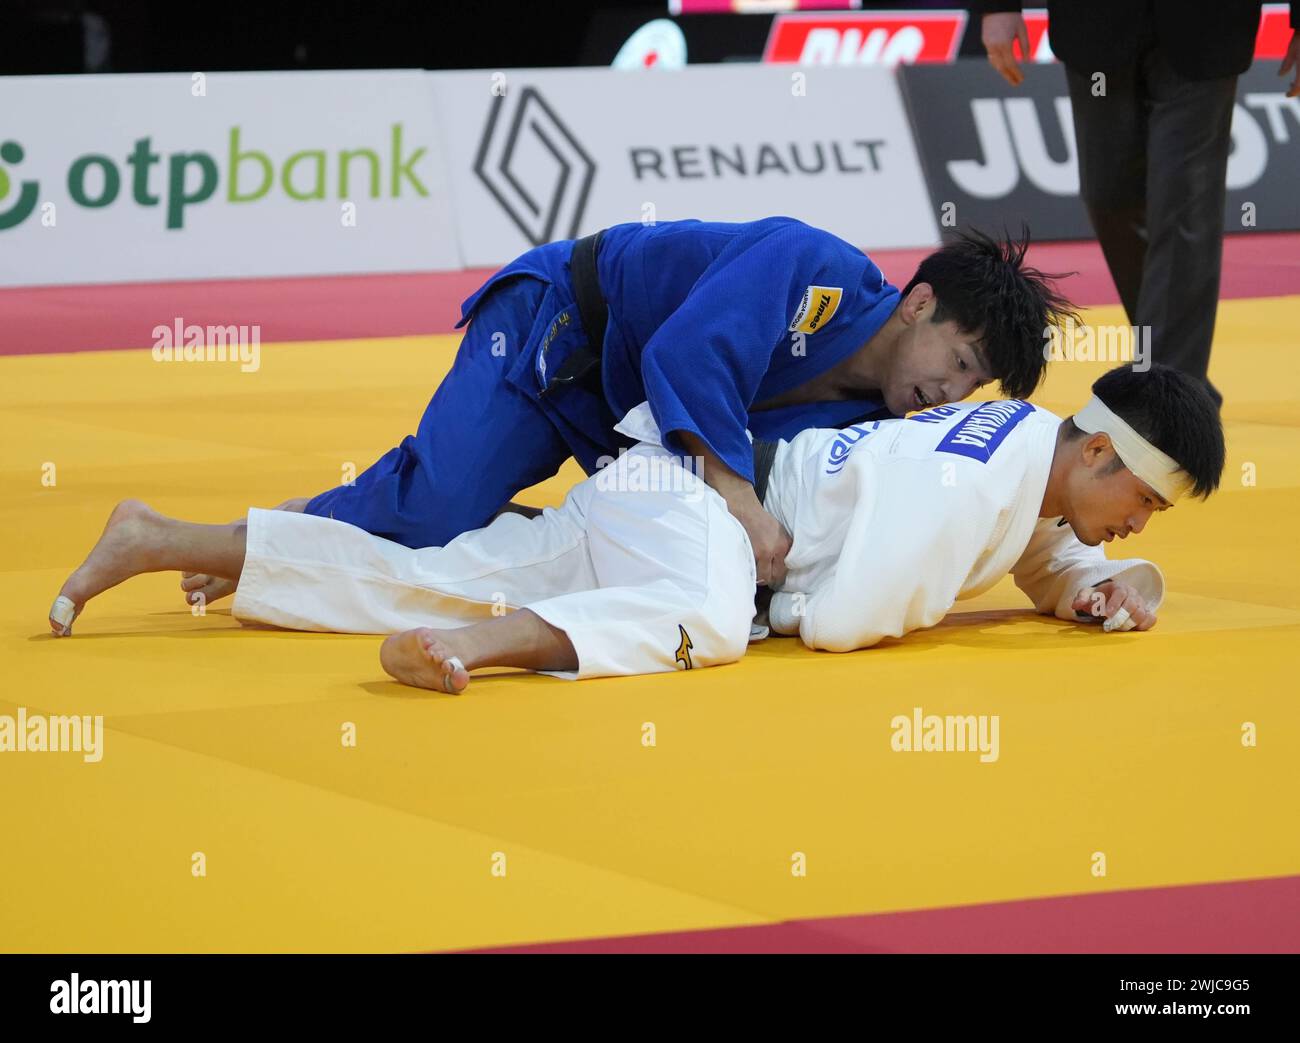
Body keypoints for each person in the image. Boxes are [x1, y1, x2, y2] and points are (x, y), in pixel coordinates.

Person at [49, 365, 1223, 693]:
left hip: (656, 484)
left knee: (434, 571)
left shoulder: (1017, 448)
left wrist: (1083, 586)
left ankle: (165, 537)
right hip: (700, 513)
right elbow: (843, 623)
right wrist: (796, 606)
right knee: (710, 622)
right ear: (1103, 452)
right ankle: (489, 648)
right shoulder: (988, 484)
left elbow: (1034, 544)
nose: (1130, 529)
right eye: (1142, 509)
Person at [178, 219, 1075, 608]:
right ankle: (275, 531)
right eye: (958, 362)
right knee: (433, 514)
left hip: (627, 424)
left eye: (971, 386)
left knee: (524, 558)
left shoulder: (873, 417)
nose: (949, 394)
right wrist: (739, 497)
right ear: (917, 303)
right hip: (556, 332)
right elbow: (685, 356)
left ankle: (302, 533)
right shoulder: (814, 268)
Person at [977, 0, 1300, 406]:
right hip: (1095, 23)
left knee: (1183, 208)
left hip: (1210, 22)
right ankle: (1176, 370)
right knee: (1107, 195)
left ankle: (1170, 394)